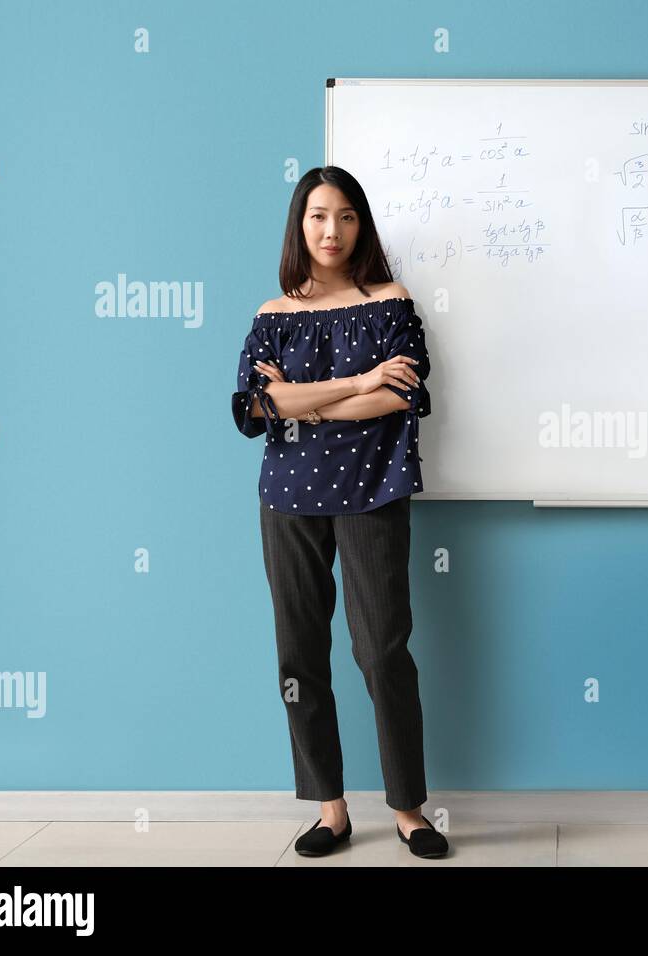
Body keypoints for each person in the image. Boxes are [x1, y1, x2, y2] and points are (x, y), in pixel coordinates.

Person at [231, 165, 449, 859]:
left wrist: (304, 398)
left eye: (347, 216)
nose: (333, 230)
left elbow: (402, 397)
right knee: (300, 653)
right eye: (320, 216)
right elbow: (256, 408)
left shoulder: (391, 301)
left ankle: (410, 809)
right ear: (301, 224)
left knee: (383, 649)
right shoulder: (272, 317)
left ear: (363, 225)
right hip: (288, 499)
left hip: (374, 489)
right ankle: (331, 809)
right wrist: (357, 382)